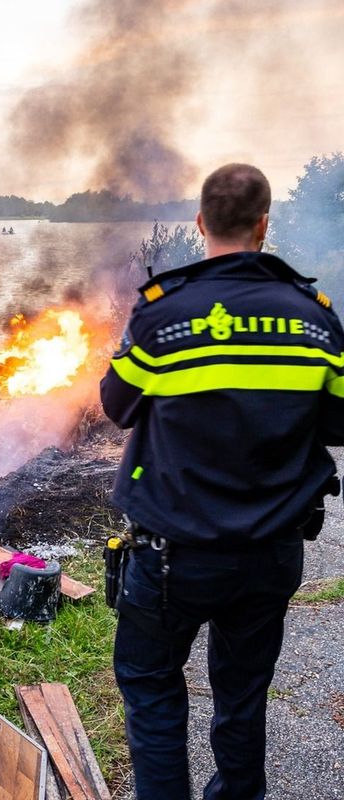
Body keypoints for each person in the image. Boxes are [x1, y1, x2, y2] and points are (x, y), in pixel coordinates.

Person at [100, 163, 344, 800]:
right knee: (242, 692)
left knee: (151, 687)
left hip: (172, 556)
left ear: (201, 223)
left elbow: (117, 405)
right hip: (270, 552)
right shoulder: (314, 319)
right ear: (265, 225)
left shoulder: (164, 314)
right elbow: (342, 421)